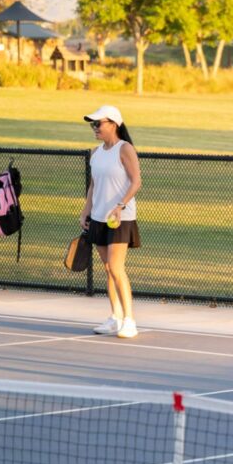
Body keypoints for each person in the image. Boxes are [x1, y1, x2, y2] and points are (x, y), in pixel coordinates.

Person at [80, 105, 143, 339]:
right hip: (98, 217)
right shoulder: (96, 153)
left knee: (116, 268)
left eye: (99, 123)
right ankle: (115, 317)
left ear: (114, 124)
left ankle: (129, 321)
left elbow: (136, 181)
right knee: (108, 269)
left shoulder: (124, 149)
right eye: (93, 124)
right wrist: (85, 212)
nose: (95, 128)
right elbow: (93, 185)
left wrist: (120, 205)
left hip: (120, 218)